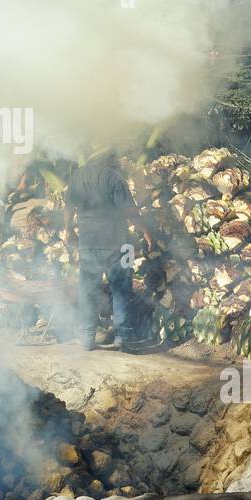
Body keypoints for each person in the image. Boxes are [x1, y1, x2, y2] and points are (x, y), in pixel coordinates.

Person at [64, 148, 154, 352]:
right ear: (109, 160)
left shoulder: (77, 177)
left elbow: (68, 206)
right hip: (118, 245)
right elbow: (129, 211)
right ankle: (123, 337)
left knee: (87, 290)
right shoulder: (113, 177)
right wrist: (147, 232)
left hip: (88, 244)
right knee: (121, 289)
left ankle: (87, 337)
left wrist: (68, 228)